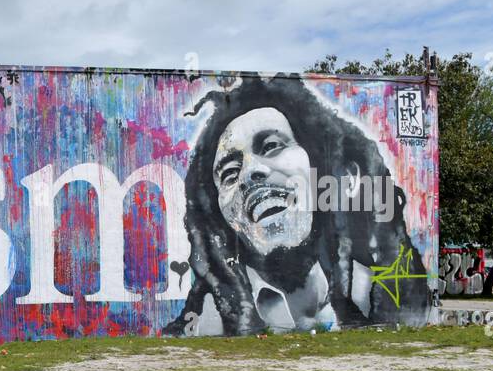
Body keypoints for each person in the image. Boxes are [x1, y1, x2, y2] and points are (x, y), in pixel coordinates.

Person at [163, 74, 432, 336]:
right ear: (219, 219)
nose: (251, 172)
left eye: (271, 146)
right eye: (230, 173)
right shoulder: (210, 322)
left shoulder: (375, 292)